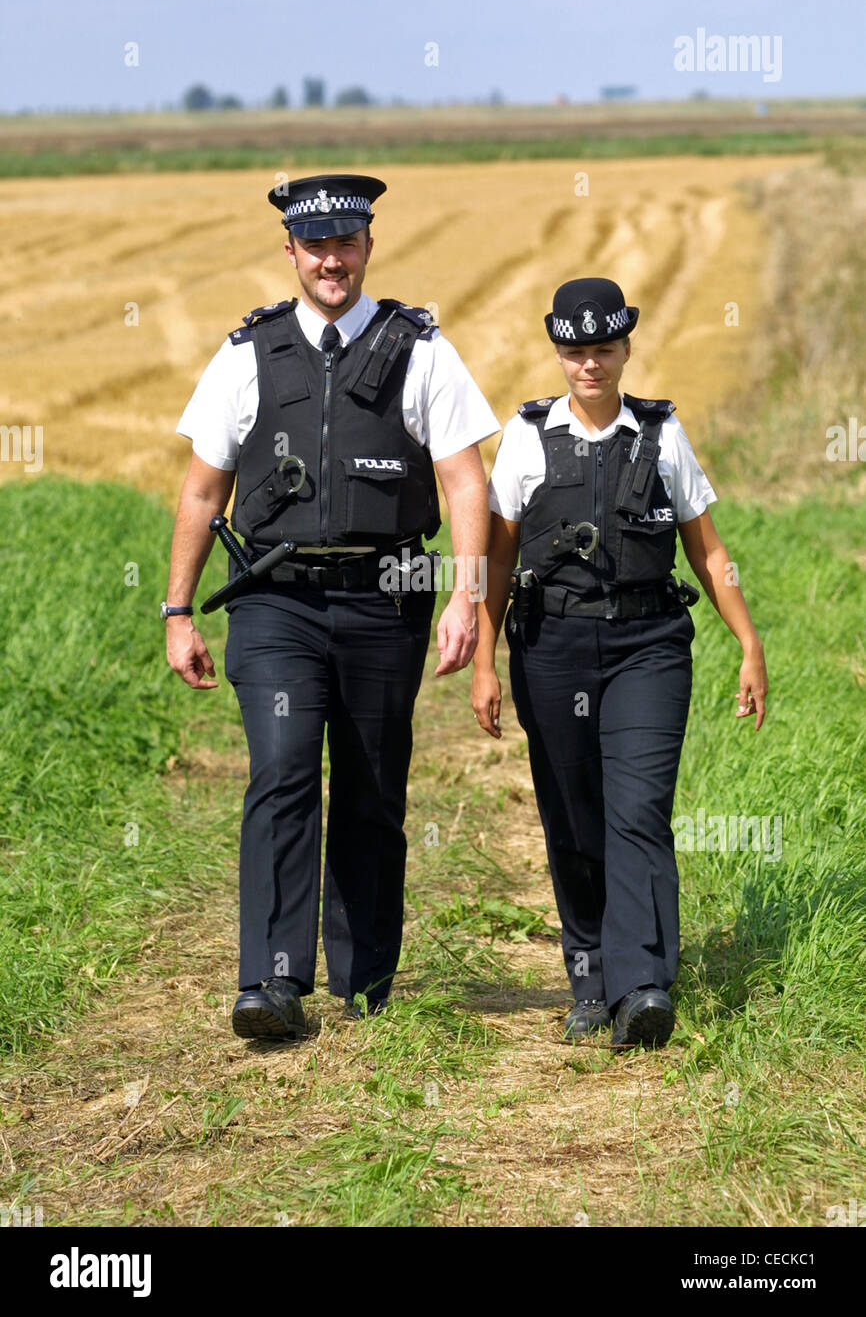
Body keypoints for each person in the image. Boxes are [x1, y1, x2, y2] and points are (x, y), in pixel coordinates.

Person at [164, 173, 498, 1039]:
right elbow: (203, 492)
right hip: (275, 601)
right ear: (290, 254)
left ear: (367, 247)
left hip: (388, 599)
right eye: (314, 246)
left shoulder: (421, 349)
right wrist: (176, 610)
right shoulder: (248, 354)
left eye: (345, 243)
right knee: (281, 773)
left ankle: (363, 984)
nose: (331, 259)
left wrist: (465, 591)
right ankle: (270, 981)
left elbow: (466, 478)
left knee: (373, 787)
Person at [470, 277, 768, 1049]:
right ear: (559, 352)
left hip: (649, 645)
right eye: (575, 350)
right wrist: (484, 661)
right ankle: (590, 977)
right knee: (573, 815)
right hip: (552, 647)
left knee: (637, 810)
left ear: (626, 349)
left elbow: (708, 549)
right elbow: (497, 558)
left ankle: (642, 986)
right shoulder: (528, 436)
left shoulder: (664, 435)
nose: (589, 364)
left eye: (603, 349)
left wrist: (748, 640)